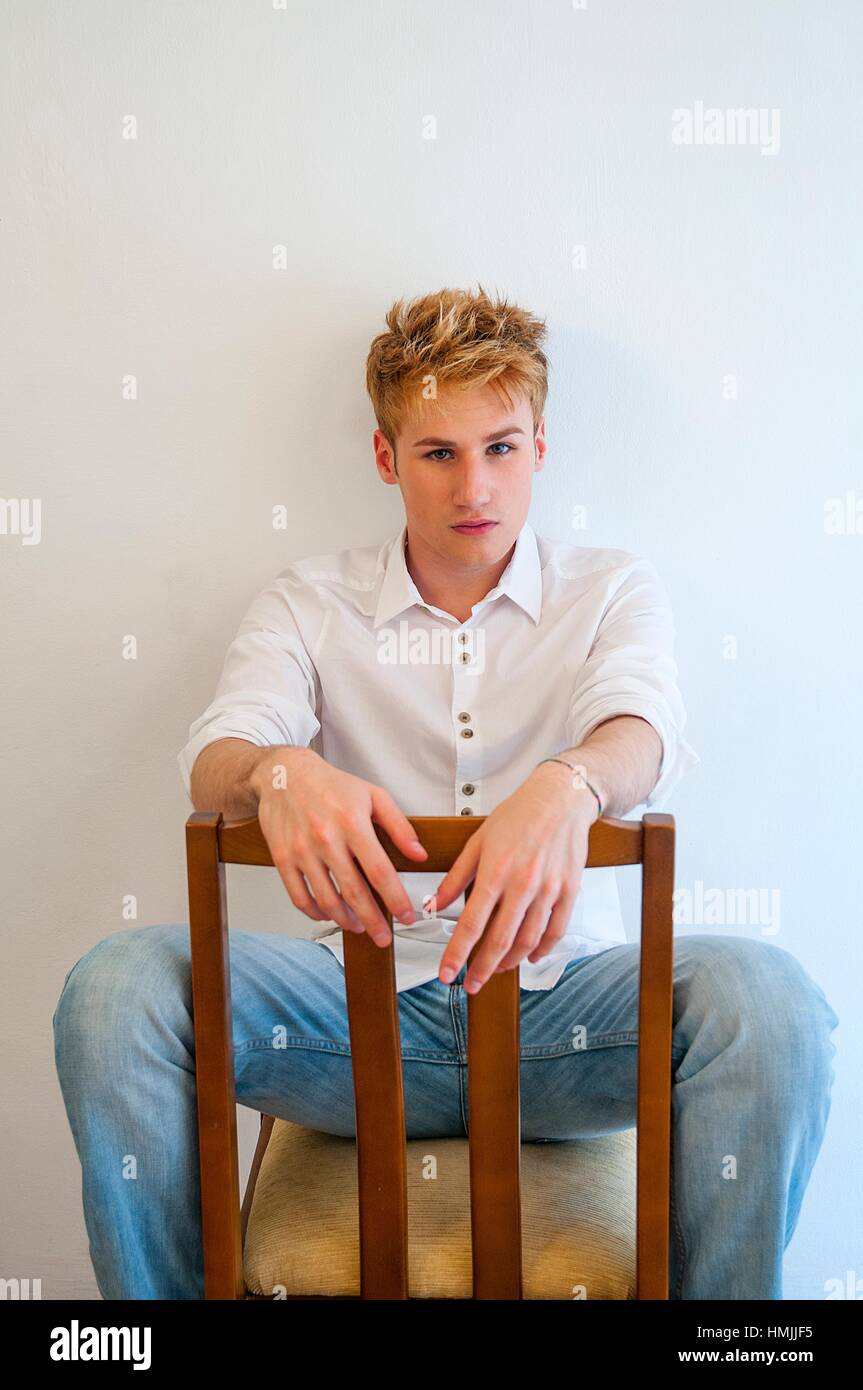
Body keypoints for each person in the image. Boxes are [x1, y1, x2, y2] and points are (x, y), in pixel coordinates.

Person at [53, 285, 838, 1299]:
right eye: (437, 453)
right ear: (386, 459)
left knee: (769, 1000)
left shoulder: (609, 589)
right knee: (117, 985)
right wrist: (277, 770)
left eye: (501, 447)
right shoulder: (307, 600)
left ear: (540, 446)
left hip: (567, 1028)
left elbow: (642, 730)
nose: (475, 485)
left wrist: (565, 785)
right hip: (352, 1024)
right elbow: (219, 750)